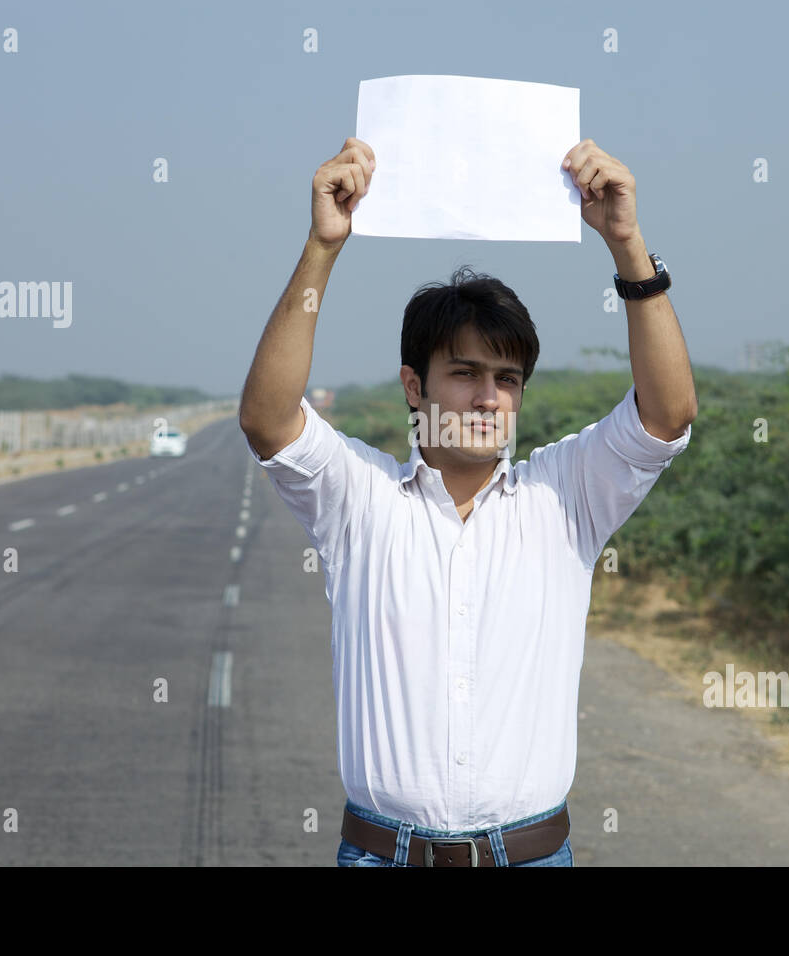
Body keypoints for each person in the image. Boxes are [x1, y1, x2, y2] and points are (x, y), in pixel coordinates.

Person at [238, 136, 698, 867]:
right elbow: (267, 419)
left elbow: (667, 415)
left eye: (508, 379)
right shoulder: (361, 499)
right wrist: (324, 246)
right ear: (414, 386)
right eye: (465, 372)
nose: (489, 397)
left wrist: (626, 243)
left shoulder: (565, 495)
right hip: (383, 855)